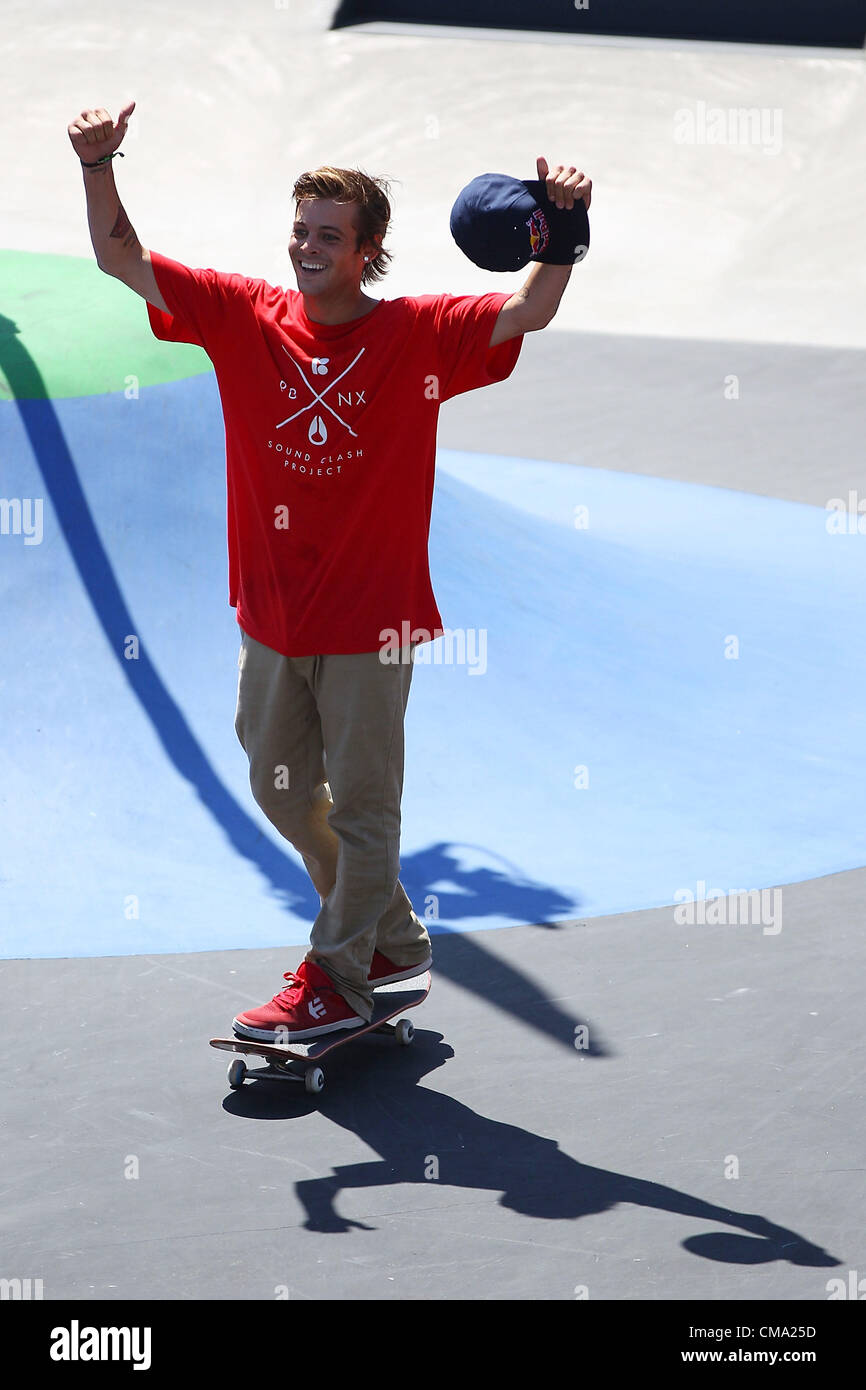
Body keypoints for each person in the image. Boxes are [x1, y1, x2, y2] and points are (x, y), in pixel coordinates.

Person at [68, 100, 592, 1042]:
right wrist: (101, 162)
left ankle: (338, 971)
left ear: (368, 250)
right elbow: (119, 257)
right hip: (270, 617)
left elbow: (531, 308)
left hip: (371, 622)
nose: (307, 249)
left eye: (328, 236)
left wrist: (563, 233)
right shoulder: (240, 315)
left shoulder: (419, 336)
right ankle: (389, 932)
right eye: (300, 232)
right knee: (277, 786)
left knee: (363, 807)